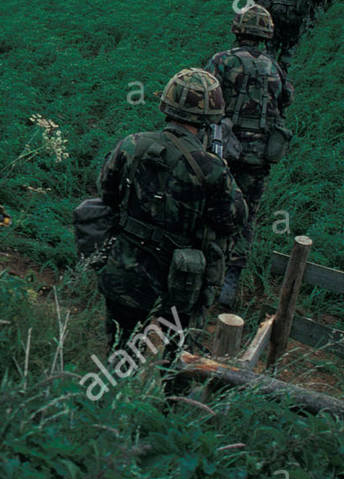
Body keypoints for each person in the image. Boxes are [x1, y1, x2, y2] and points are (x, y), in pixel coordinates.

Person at [96, 69, 247, 345]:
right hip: (182, 284)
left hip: (126, 272)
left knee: (119, 354)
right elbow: (232, 220)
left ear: (167, 104)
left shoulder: (131, 144)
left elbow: (106, 193)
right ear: (210, 118)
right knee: (179, 361)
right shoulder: (211, 167)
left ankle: (114, 387)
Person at [204, 6, 293, 309]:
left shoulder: (221, 61)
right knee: (246, 215)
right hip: (257, 159)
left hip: (221, 152)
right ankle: (229, 282)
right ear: (266, 34)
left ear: (238, 30)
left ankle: (204, 272)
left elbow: (204, 100)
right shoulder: (275, 68)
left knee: (210, 207)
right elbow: (285, 101)